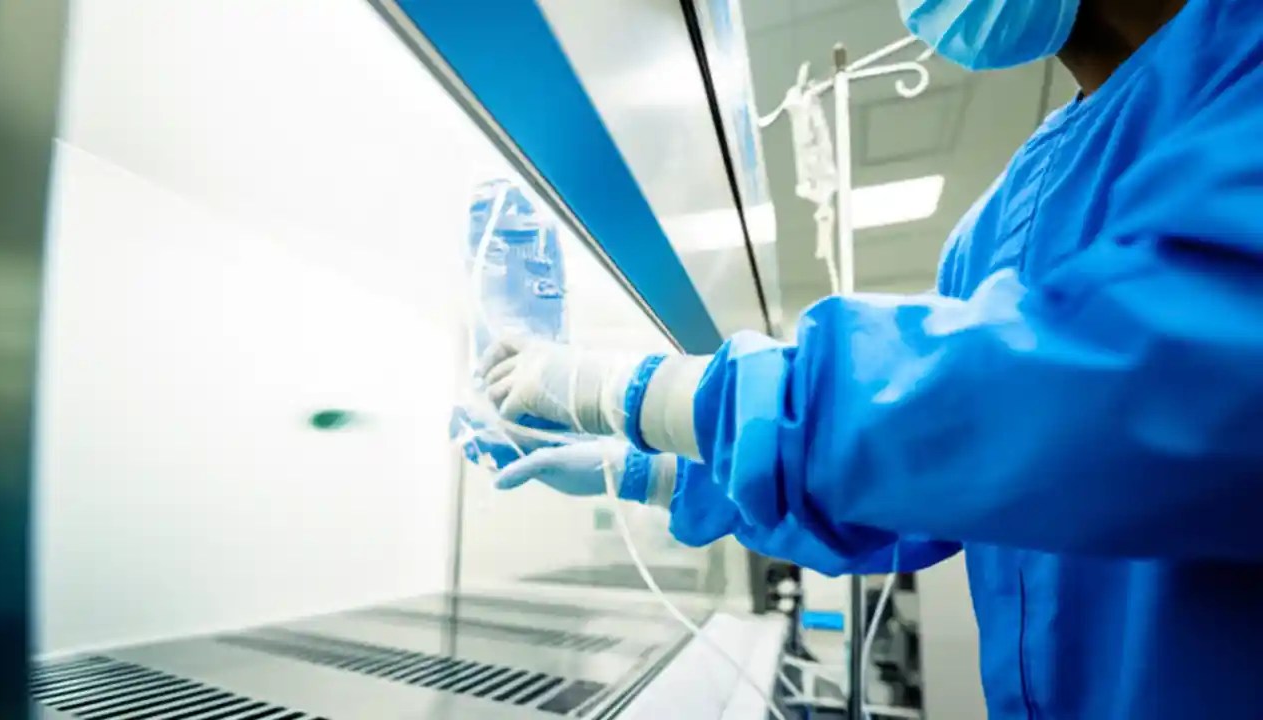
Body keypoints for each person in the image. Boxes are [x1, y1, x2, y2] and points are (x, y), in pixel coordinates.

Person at [481, 0, 1263, 717]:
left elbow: (1124, 386)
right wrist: (658, 473)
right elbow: (920, 484)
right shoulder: (1003, 218)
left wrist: (647, 392)